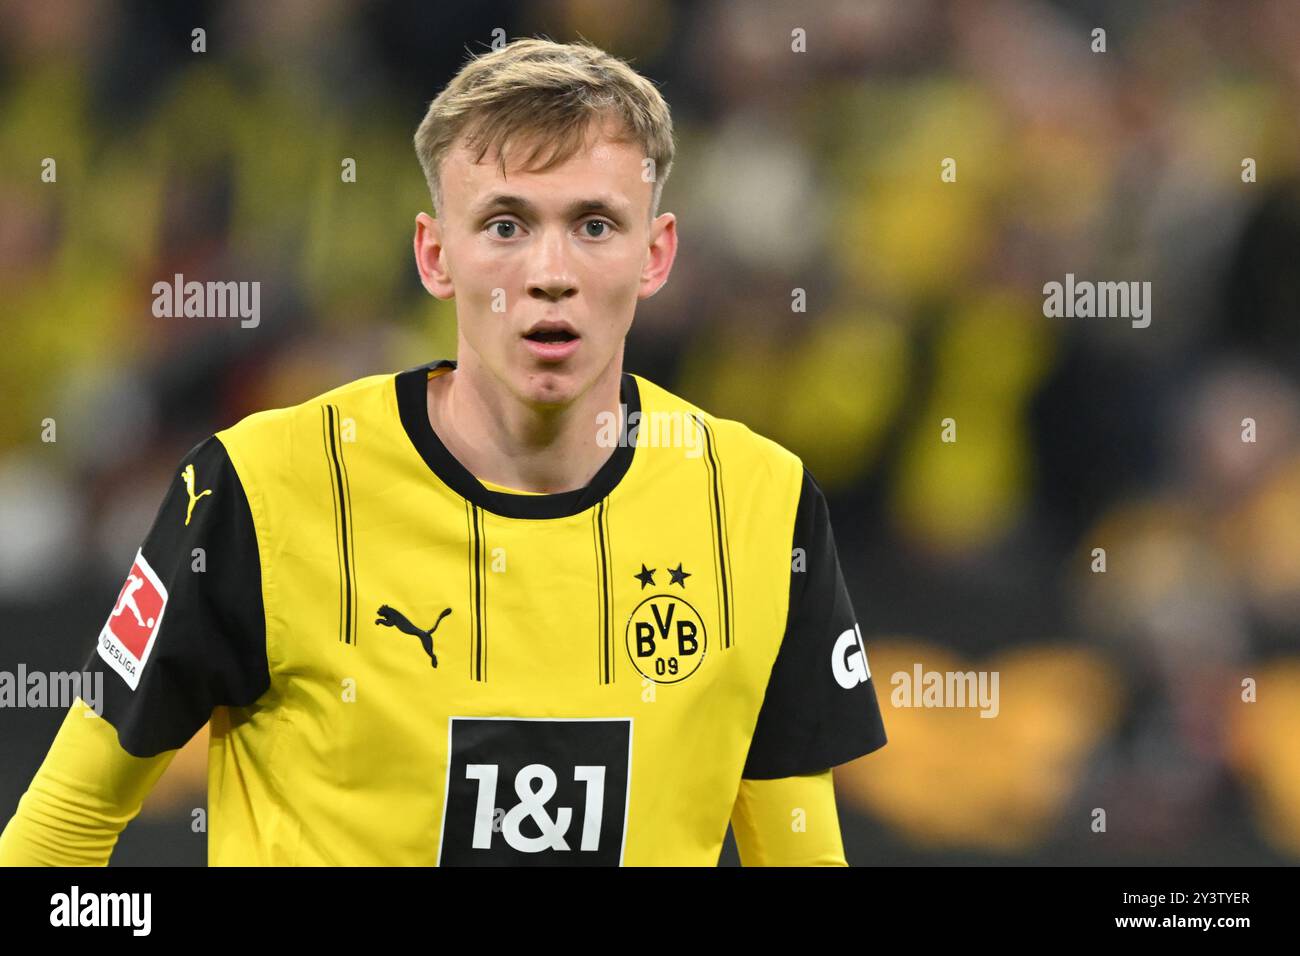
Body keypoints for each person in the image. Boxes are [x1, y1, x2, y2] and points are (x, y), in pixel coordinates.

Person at [0, 36, 886, 866]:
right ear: (435, 257)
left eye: (594, 226)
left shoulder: (761, 505)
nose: (550, 271)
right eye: (504, 225)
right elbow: (56, 841)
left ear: (655, 257)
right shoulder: (258, 492)